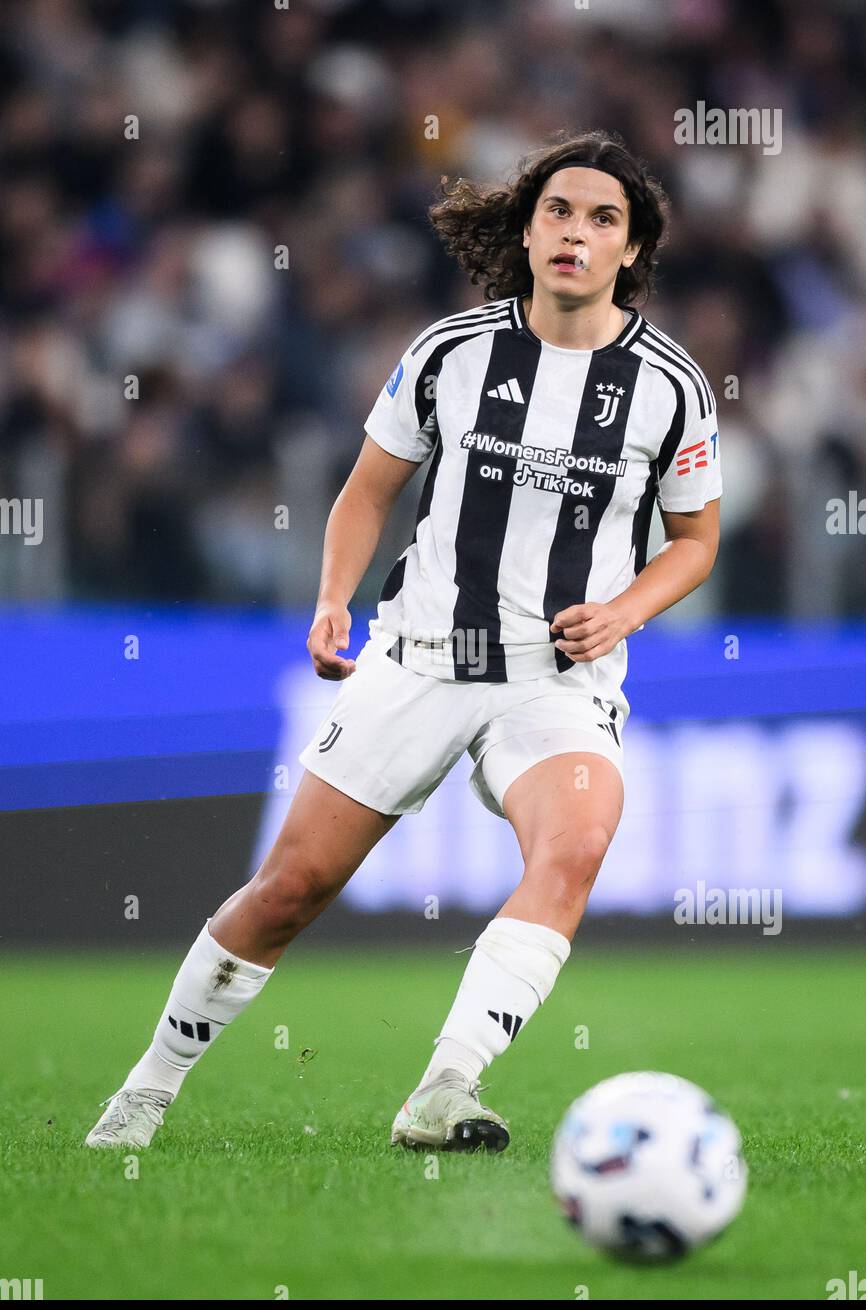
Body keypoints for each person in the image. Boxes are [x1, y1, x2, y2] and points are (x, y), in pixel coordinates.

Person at [85, 130, 721, 1153]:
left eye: (603, 218)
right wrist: (334, 596)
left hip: (557, 678)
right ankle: (144, 1094)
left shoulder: (668, 385)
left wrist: (625, 609)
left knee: (576, 846)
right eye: (558, 209)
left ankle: (443, 1087)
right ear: (525, 226)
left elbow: (694, 540)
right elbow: (365, 490)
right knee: (289, 889)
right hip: (420, 655)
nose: (575, 232)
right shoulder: (448, 352)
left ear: (631, 251)